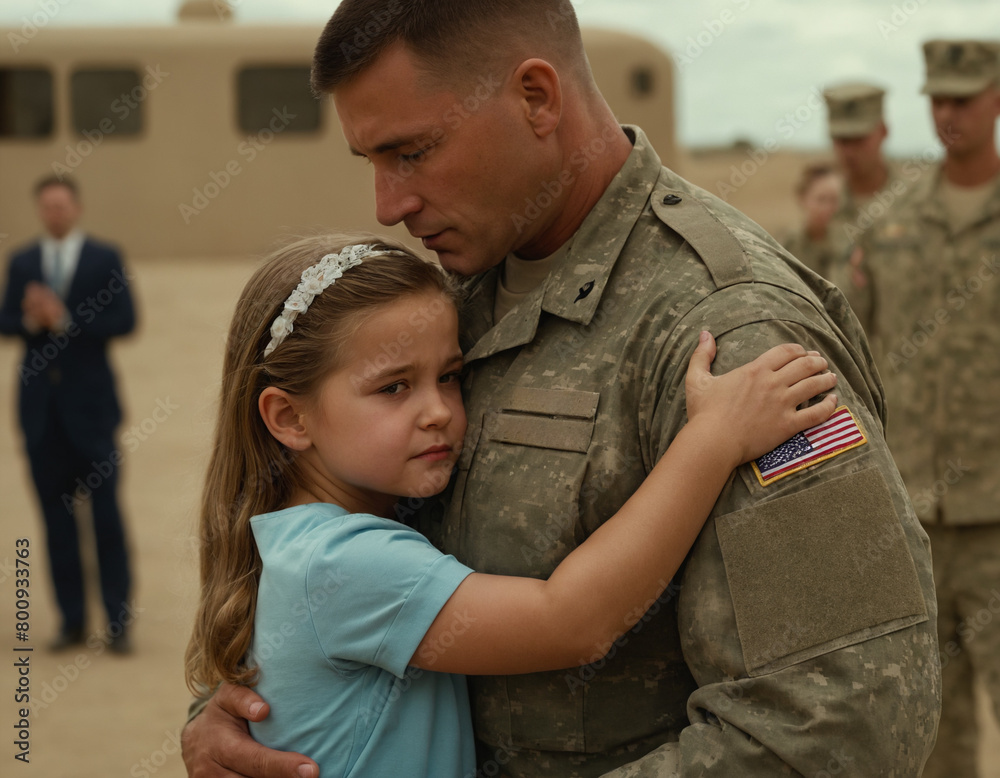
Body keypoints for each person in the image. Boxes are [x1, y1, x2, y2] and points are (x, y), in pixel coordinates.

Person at [182, 2, 941, 776]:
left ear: (536, 99)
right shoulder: (447, 302)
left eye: (412, 153)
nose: (389, 205)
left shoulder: (727, 335)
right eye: (372, 162)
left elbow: (839, 726)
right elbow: (326, 550)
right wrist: (242, 719)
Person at [185, 234, 838, 778]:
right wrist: (713, 440)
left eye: (449, 375)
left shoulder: (305, 544)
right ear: (288, 418)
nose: (438, 411)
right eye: (393, 388)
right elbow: (573, 621)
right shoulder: (343, 563)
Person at [856, 39, 1000, 778]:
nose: (949, 112)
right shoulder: (892, 219)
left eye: (965, 96)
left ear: (997, 97)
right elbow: (860, 350)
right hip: (914, 514)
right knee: (932, 720)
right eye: (937, 97)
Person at [0, 175, 136, 653]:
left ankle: (118, 624)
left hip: (93, 412)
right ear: (40, 210)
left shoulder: (105, 257)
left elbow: (125, 320)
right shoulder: (22, 262)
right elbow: (5, 321)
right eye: (47, 207)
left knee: (106, 520)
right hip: (41, 414)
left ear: (76, 208)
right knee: (55, 523)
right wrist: (30, 320)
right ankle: (72, 621)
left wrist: (65, 321)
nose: (55, 213)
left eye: (62, 205)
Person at [780, 162, 842, 277]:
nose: (828, 208)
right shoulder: (789, 245)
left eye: (834, 200)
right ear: (802, 198)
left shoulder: (850, 245)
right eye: (821, 199)